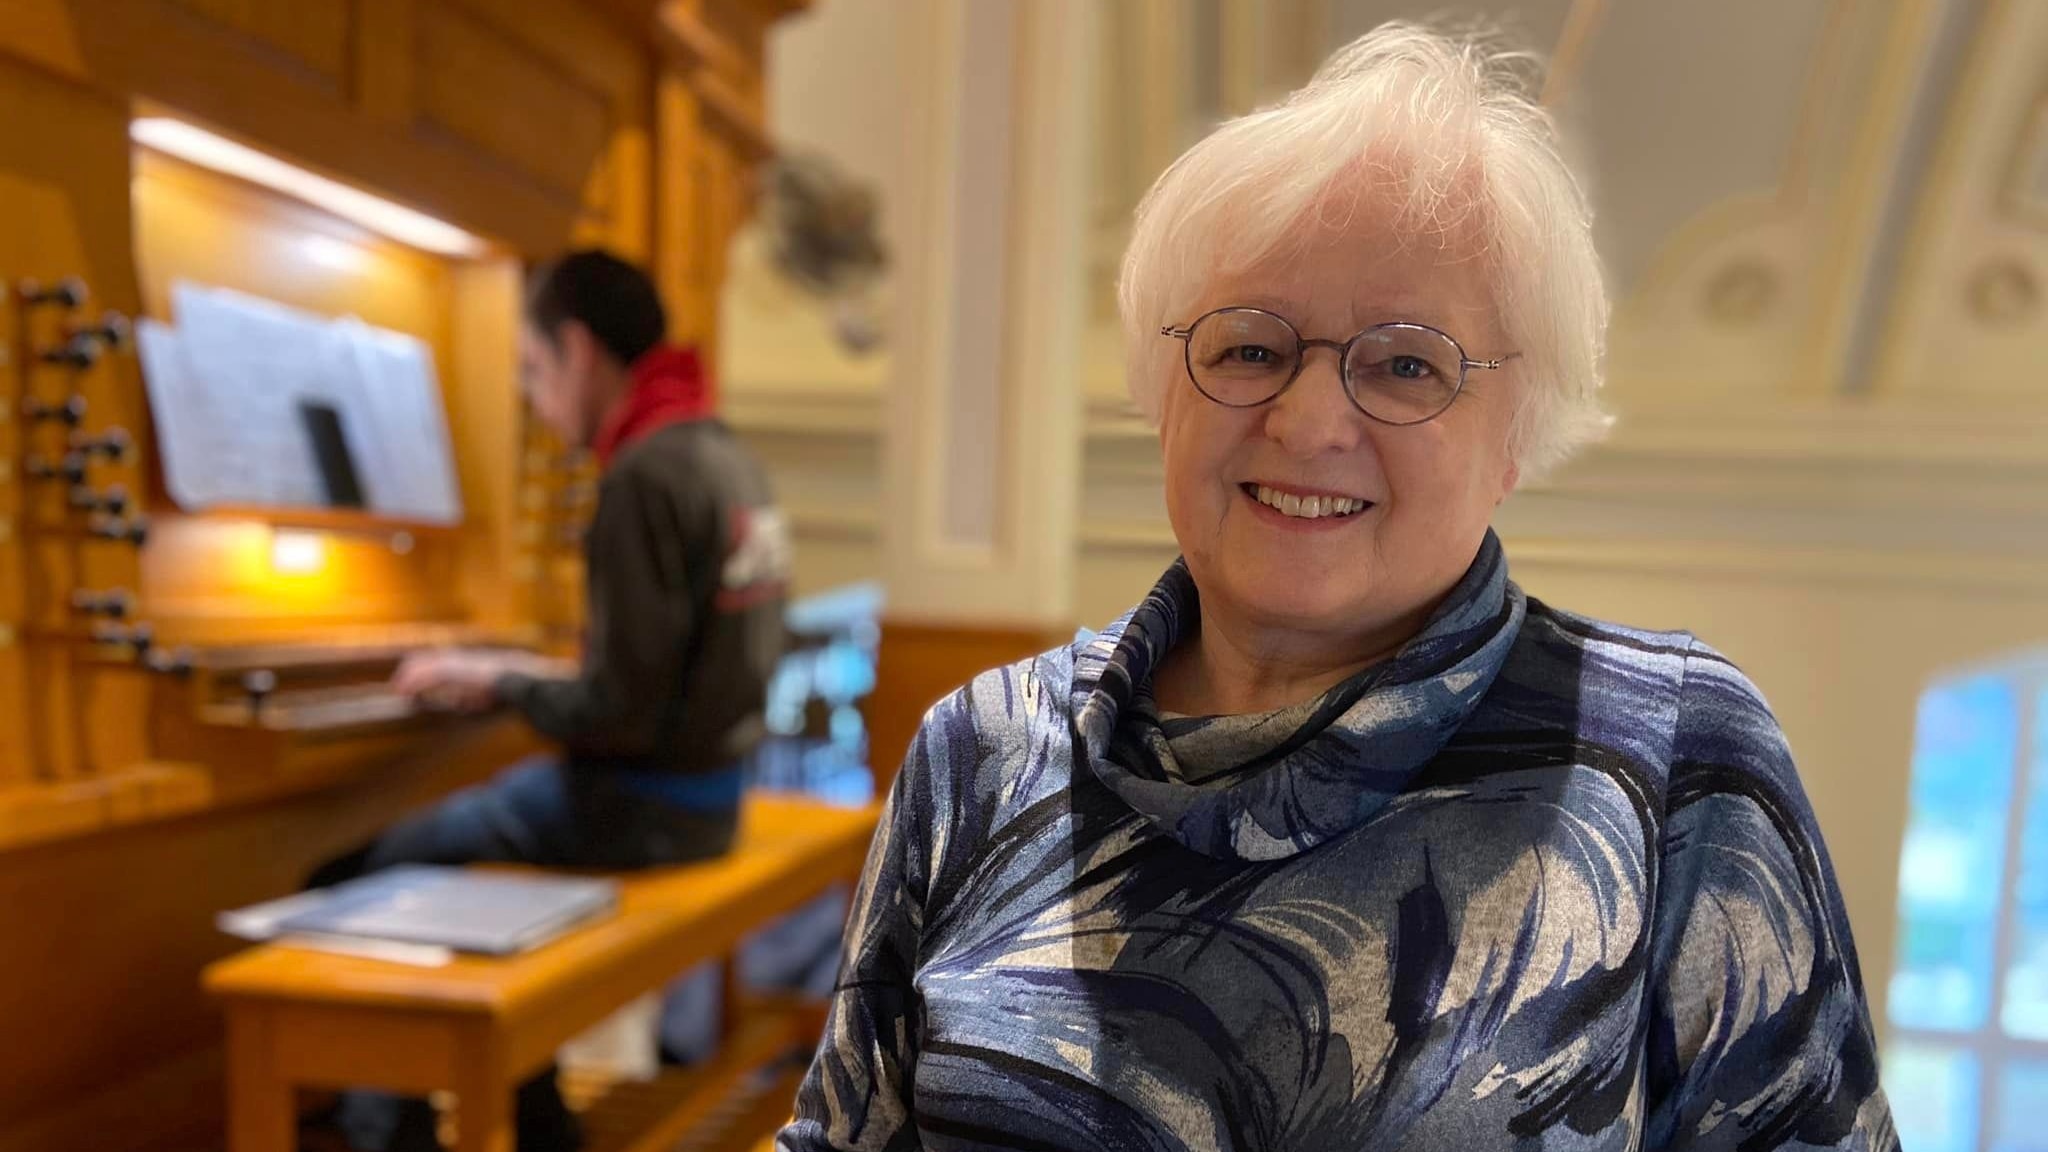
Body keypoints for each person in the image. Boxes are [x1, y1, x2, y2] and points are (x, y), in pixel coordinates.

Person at [780, 23, 1897, 1152]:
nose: (1308, 421)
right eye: (1248, 349)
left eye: (1407, 363)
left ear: (1515, 435)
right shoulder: (978, 748)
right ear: (1160, 391)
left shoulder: (1672, 757)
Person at [312, 249, 791, 1152]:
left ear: (576, 351)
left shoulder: (641, 475)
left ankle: (386, 1131)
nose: (536, 402)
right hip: (712, 792)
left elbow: (617, 713)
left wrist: (497, 680)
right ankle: (535, 1121)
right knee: (469, 861)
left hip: (643, 811)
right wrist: (526, 675)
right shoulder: (721, 453)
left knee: (369, 874)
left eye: (532, 372)